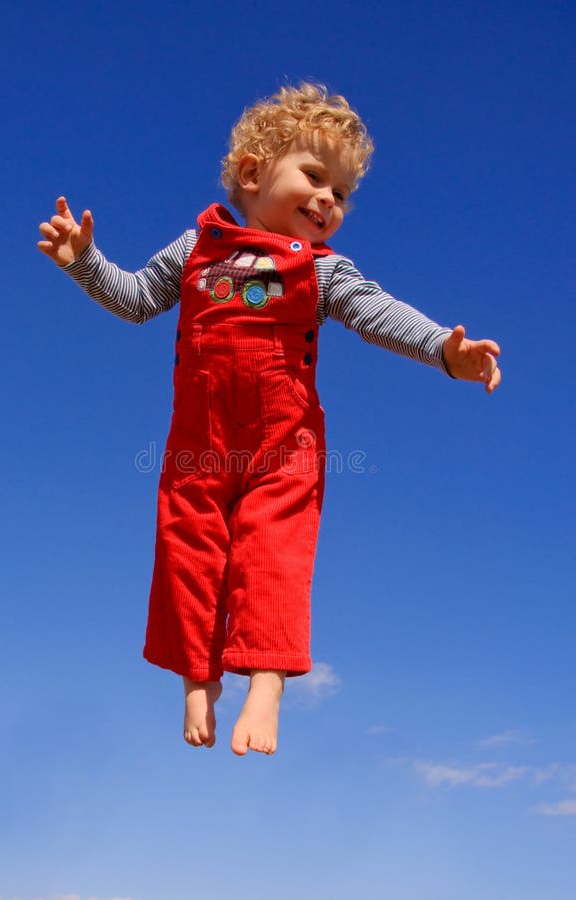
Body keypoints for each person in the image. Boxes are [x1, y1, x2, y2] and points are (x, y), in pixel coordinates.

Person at [38, 83, 501, 757]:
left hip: (284, 448)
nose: (329, 202)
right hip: (199, 443)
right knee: (186, 548)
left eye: (341, 194)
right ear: (253, 173)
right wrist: (84, 263)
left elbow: (381, 316)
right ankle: (196, 674)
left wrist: (444, 351)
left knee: (272, 557)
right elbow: (135, 299)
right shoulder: (196, 248)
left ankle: (265, 681)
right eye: (315, 178)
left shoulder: (324, 271)